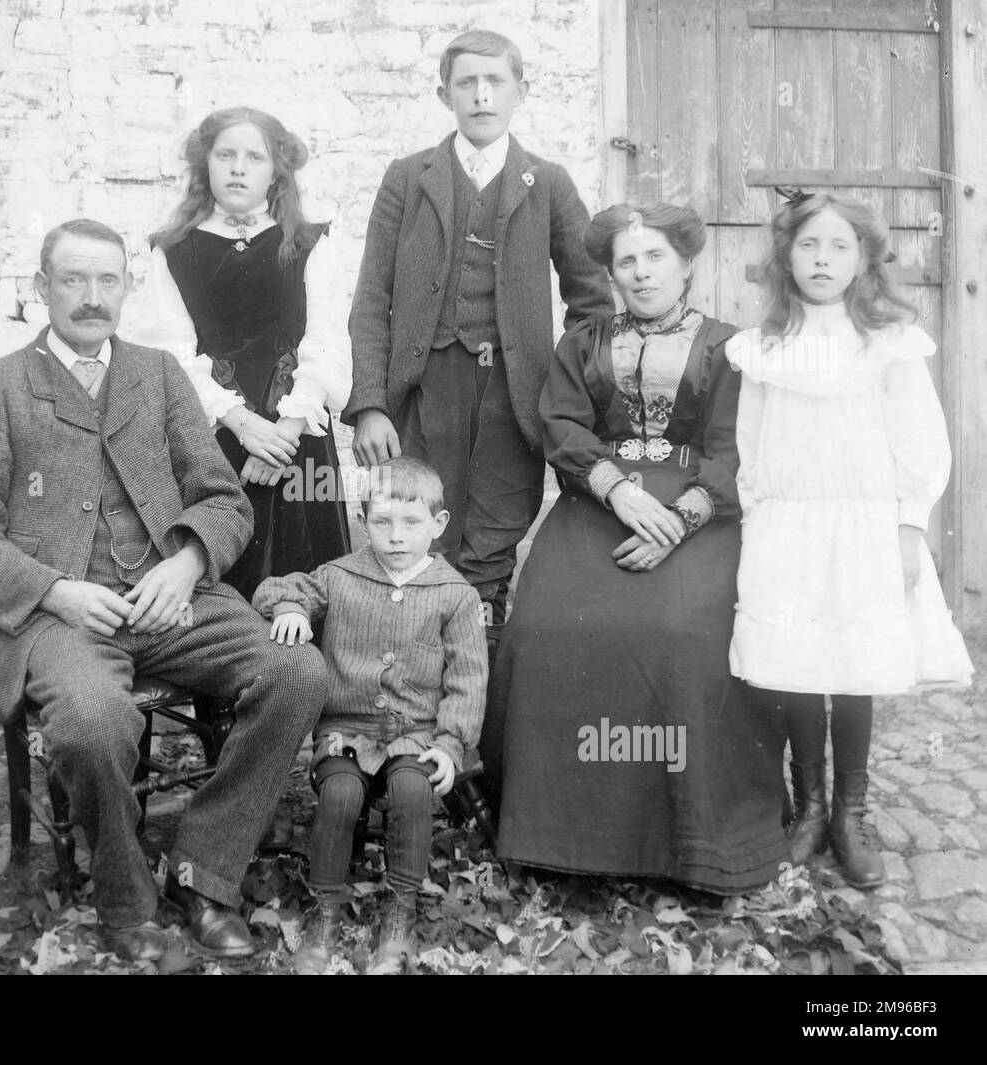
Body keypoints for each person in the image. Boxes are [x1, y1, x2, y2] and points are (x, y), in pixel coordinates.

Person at [0, 218, 326, 962]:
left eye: (107, 280)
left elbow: (222, 499)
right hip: (61, 619)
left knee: (297, 670)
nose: (92, 297)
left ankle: (204, 873)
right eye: (74, 280)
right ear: (40, 288)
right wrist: (56, 591)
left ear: (126, 288)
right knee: (91, 720)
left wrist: (184, 562)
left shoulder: (158, 372)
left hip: (173, 601)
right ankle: (126, 899)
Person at [479, 204, 789, 895]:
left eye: (655, 258)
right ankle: (559, 836)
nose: (642, 272)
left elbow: (735, 446)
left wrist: (678, 520)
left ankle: (697, 841)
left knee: (681, 633)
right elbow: (561, 425)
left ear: (685, 264)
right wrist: (619, 493)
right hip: (598, 500)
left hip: (700, 513)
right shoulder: (583, 342)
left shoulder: (727, 347)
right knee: (543, 627)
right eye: (627, 261)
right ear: (611, 272)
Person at [726, 191, 972, 889]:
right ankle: (807, 807)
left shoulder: (890, 342)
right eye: (809, 246)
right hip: (788, 523)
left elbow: (919, 439)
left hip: (864, 522)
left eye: (838, 246)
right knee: (803, 662)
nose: (823, 259)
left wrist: (906, 526)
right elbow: (750, 447)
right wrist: (758, 523)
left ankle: (851, 813)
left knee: (854, 664)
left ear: (863, 257)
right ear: (787, 256)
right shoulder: (766, 345)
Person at [346, 29, 613, 642]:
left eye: (495, 82)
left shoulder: (547, 183)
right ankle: (408, 715)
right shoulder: (408, 178)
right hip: (422, 391)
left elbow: (592, 302)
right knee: (412, 532)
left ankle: (477, 721)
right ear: (445, 93)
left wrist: (562, 392)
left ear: (521, 91)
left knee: (492, 544)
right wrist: (369, 407)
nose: (482, 95)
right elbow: (371, 300)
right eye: (467, 83)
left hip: (512, 397)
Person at [253, 458, 487, 973]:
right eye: (382, 522)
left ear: (439, 524)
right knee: (339, 794)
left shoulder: (456, 596)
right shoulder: (339, 577)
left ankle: (400, 907)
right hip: (346, 729)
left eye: (411, 523)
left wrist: (450, 744)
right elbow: (276, 587)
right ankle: (326, 907)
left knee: (412, 789)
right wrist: (290, 608)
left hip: (417, 733)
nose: (397, 536)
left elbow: (467, 679)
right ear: (363, 519)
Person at [133, 106, 352, 598]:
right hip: (215, 437)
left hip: (300, 443)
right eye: (225, 155)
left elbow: (327, 343)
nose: (238, 167)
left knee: (306, 584)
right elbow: (169, 354)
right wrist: (242, 422)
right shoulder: (176, 250)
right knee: (221, 575)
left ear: (276, 170)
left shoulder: (310, 243)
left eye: (254, 157)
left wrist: (285, 436)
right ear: (204, 163)